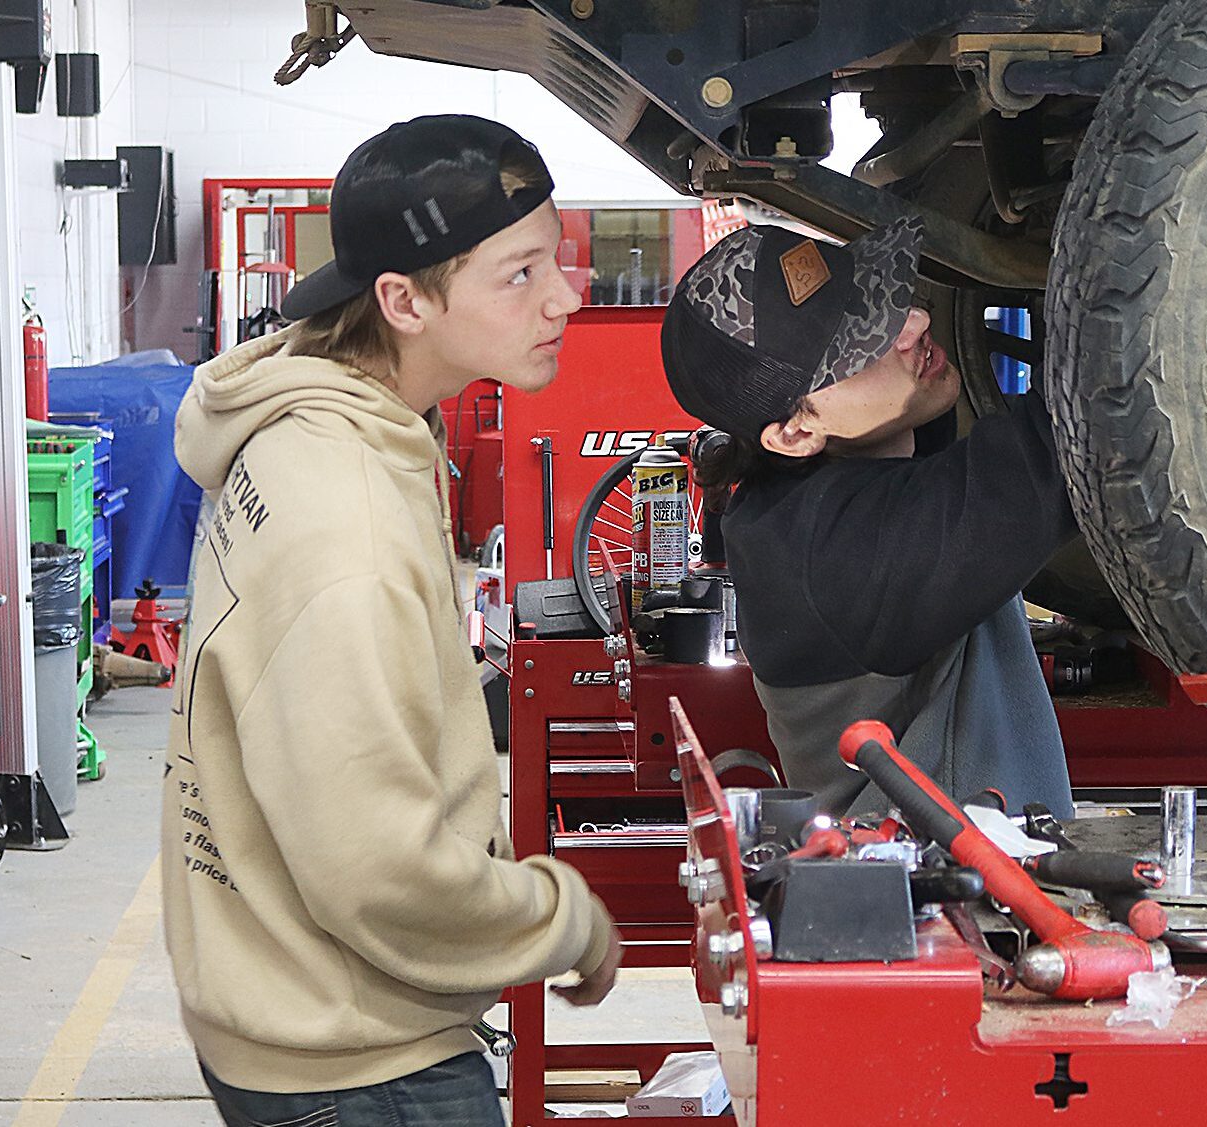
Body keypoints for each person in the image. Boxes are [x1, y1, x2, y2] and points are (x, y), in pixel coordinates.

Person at [162, 116, 619, 1127]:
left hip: (290, 1008)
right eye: (520, 273)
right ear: (403, 300)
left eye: (560, 258)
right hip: (360, 1062)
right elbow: (381, 866)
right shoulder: (346, 522)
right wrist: (563, 918)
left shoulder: (316, 423)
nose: (566, 296)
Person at [660, 216, 1076, 817]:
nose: (916, 322)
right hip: (937, 900)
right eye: (862, 343)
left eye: (876, 301)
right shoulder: (835, 554)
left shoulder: (837, 466)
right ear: (796, 432)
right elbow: (1076, 434)